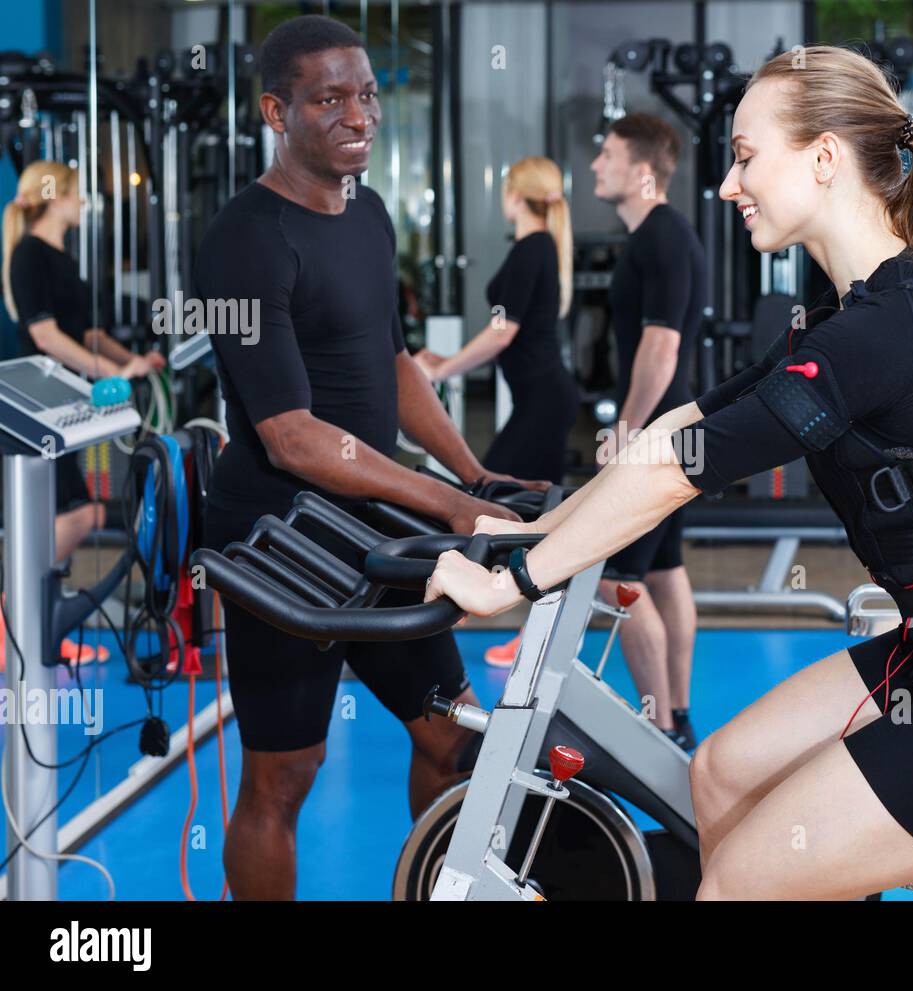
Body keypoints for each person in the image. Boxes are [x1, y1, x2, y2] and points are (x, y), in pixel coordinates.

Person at [423, 44, 913, 900]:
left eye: (743, 156)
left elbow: (681, 475)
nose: (729, 186)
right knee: (723, 772)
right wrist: (539, 533)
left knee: (737, 884)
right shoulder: (844, 318)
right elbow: (679, 433)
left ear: (825, 157)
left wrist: (519, 580)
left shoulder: (897, 326)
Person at [195, 15, 545, 900]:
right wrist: (446, 504)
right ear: (278, 110)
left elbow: (390, 366)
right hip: (279, 536)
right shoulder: (246, 239)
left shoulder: (371, 214)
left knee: (446, 737)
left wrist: (471, 475)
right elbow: (291, 434)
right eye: (328, 99)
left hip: (375, 521)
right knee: (286, 772)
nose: (358, 115)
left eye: (366, 95)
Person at [588, 112, 706, 748]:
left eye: (605, 154)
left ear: (641, 171)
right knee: (663, 572)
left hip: (659, 432)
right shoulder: (662, 236)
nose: (594, 165)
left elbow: (659, 349)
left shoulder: (660, 238)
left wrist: (627, 434)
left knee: (617, 579)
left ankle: (657, 727)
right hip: (675, 427)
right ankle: (677, 717)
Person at [2, 161, 163, 566]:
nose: (84, 201)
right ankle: (13, 617)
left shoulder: (63, 259)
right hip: (37, 408)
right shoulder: (29, 256)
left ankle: (25, 617)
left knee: (73, 509)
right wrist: (111, 374)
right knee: (76, 512)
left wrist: (135, 361)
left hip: (64, 408)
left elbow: (87, 335)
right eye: (76, 193)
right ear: (55, 199)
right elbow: (46, 336)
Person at [416, 156, 578, 486]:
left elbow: (501, 332)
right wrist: (450, 361)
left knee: (490, 492)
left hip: (544, 400)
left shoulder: (531, 249)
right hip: (543, 397)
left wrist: (442, 370)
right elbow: (502, 326)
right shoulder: (536, 247)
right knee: (527, 504)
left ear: (515, 196)